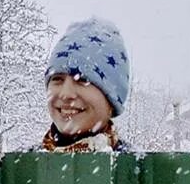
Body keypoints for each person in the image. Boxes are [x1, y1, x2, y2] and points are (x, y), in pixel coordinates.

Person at [41, 18, 130, 152]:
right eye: (57, 79)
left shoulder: (138, 169)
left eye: (82, 80)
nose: (66, 94)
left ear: (111, 100)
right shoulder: (18, 167)